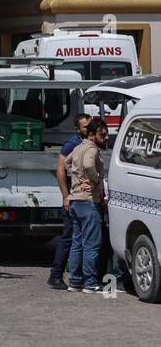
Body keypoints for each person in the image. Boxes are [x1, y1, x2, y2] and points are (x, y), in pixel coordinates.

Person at [66, 117, 109, 293]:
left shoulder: (77, 148)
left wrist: (76, 177)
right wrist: (94, 179)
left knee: (77, 243)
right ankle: (90, 283)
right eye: (102, 135)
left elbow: (66, 163)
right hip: (88, 201)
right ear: (92, 135)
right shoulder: (91, 149)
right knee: (91, 244)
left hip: (76, 200)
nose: (106, 138)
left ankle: (75, 282)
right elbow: (89, 164)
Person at [50, 113, 91, 291]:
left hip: (84, 197)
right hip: (73, 197)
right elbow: (60, 171)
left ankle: (79, 275)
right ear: (78, 129)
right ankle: (56, 275)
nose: (88, 130)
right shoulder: (71, 145)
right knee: (68, 237)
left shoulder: (88, 143)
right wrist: (65, 196)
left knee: (81, 238)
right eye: (85, 127)